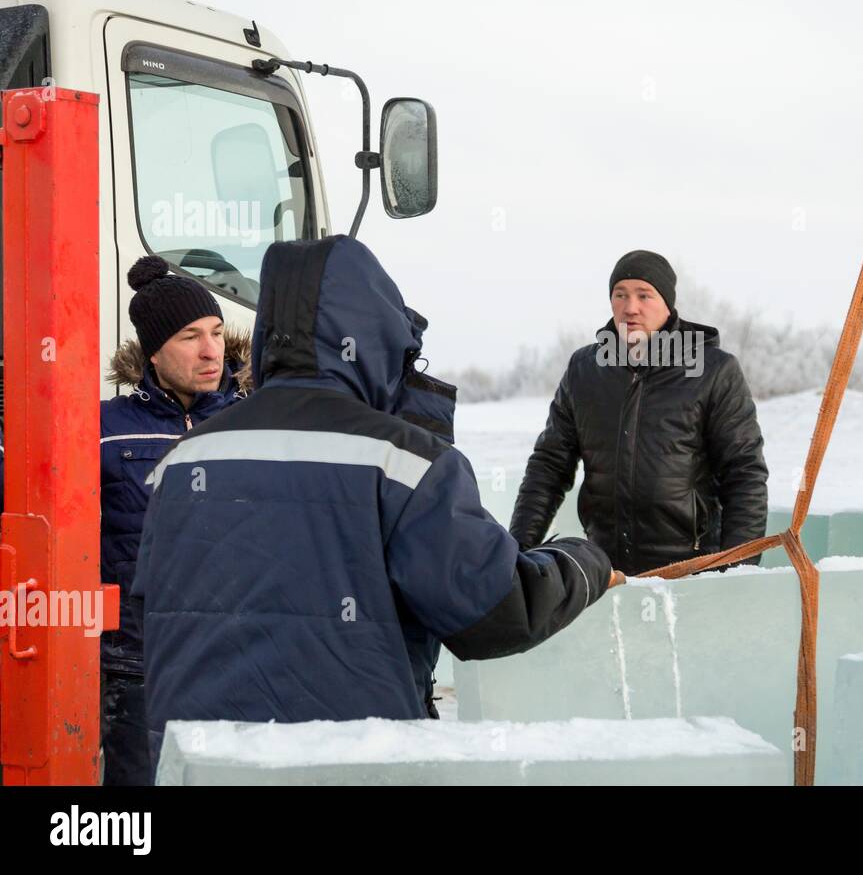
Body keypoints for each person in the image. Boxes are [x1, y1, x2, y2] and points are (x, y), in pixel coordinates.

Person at [134, 236, 616, 773]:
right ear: (379, 337)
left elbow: (157, 616)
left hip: (199, 771)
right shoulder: (403, 462)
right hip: (352, 768)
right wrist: (584, 559)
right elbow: (499, 610)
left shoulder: (182, 461)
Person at [510, 250, 769, 576]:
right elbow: (548, 468)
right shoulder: (584, 369)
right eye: (620, 295)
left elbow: (744, 475)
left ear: (667, 303)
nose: (630, 307)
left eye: (644, 295)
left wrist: (736, 572)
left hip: (693, 572)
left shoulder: (713, 370)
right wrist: (517, 551)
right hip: (607, 574)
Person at [99, 255, 249, 785]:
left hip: (238, 661)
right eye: (190, 337)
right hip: (136, 670)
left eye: (214, 332)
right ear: (154, 354)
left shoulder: (255, 422)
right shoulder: (103, 429)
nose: (212, 351)